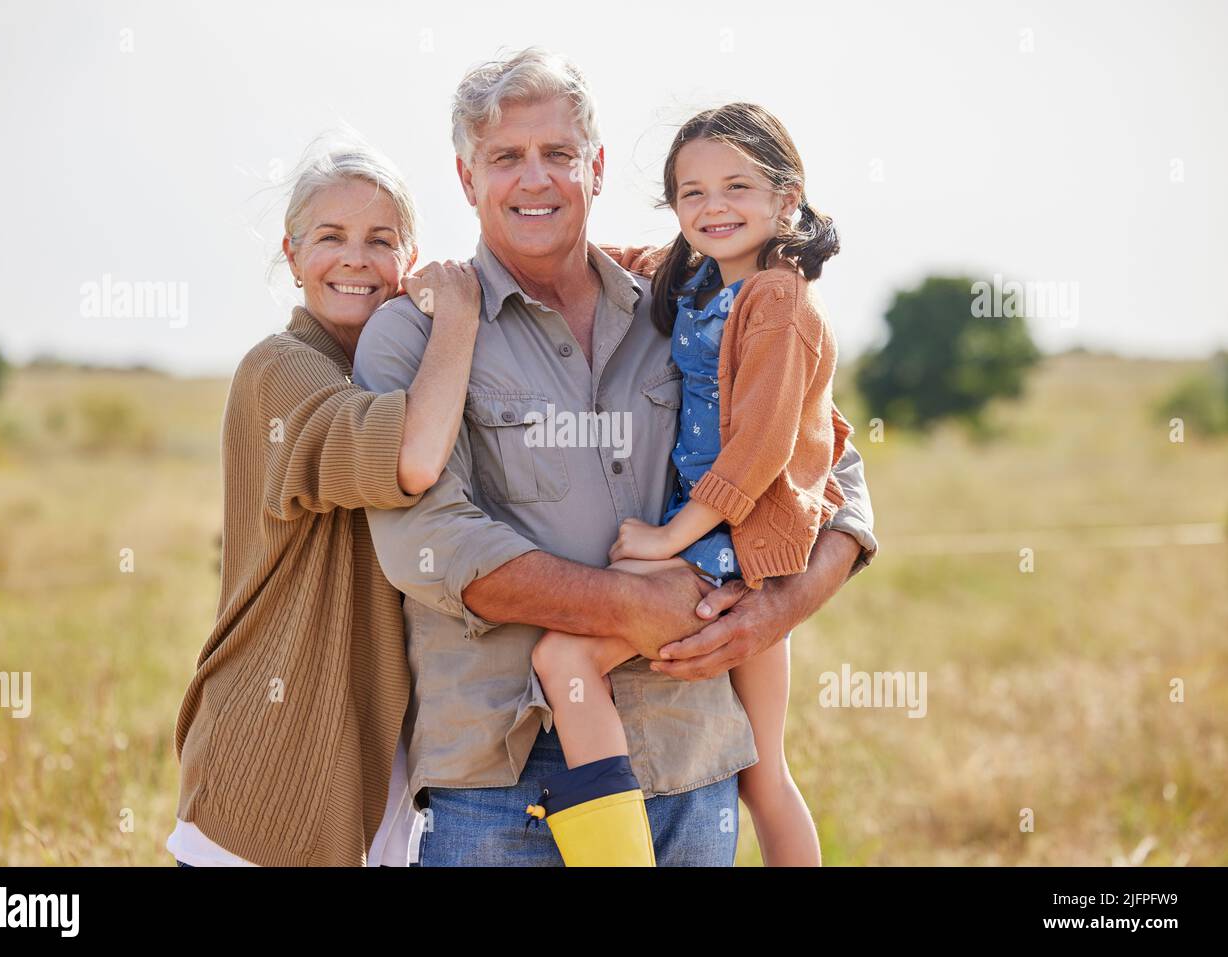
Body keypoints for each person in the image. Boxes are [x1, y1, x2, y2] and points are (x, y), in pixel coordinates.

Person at [356, 47, 878, 867]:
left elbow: (826, 461)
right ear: (466, 178)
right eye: (505, 159)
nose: (536, 180)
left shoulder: (686, 307)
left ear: (594, 168)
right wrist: (631, 606)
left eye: (558, 155)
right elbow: (430, 545)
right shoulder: (416, 332)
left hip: (687, 761)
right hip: (497, 785)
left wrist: (777, 609)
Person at [530, 102, 848, 866]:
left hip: (737, 537)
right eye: (692, 192)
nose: (713, 207)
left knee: (562, 658)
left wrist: (673, 534)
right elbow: (617, 260)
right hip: (727, 534)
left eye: (736, 186)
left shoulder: (778, 300)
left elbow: (762, 446)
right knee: (763, 773)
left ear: (786, 194)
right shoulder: (701, 276)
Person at [168, 134, 482, 866]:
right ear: (292, 252)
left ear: (408, 258)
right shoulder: (280, 368)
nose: (354, 257)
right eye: (330, 236)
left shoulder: (398, 369)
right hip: (271, 780)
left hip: (379, 786)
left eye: (380, 239)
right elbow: (410, 457)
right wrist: (461, 314)